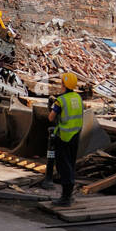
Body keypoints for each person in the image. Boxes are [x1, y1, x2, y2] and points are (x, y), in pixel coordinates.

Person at [47, 72, 84, 207]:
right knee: (70, 164)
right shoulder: (78, 98)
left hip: (63, 136)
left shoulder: (60, 100)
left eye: (61, 83)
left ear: (64, 85)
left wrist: (51, 107)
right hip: (75, 136)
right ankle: (68, 194)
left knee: (63, 166)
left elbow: (51, 118)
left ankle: (65, 198)